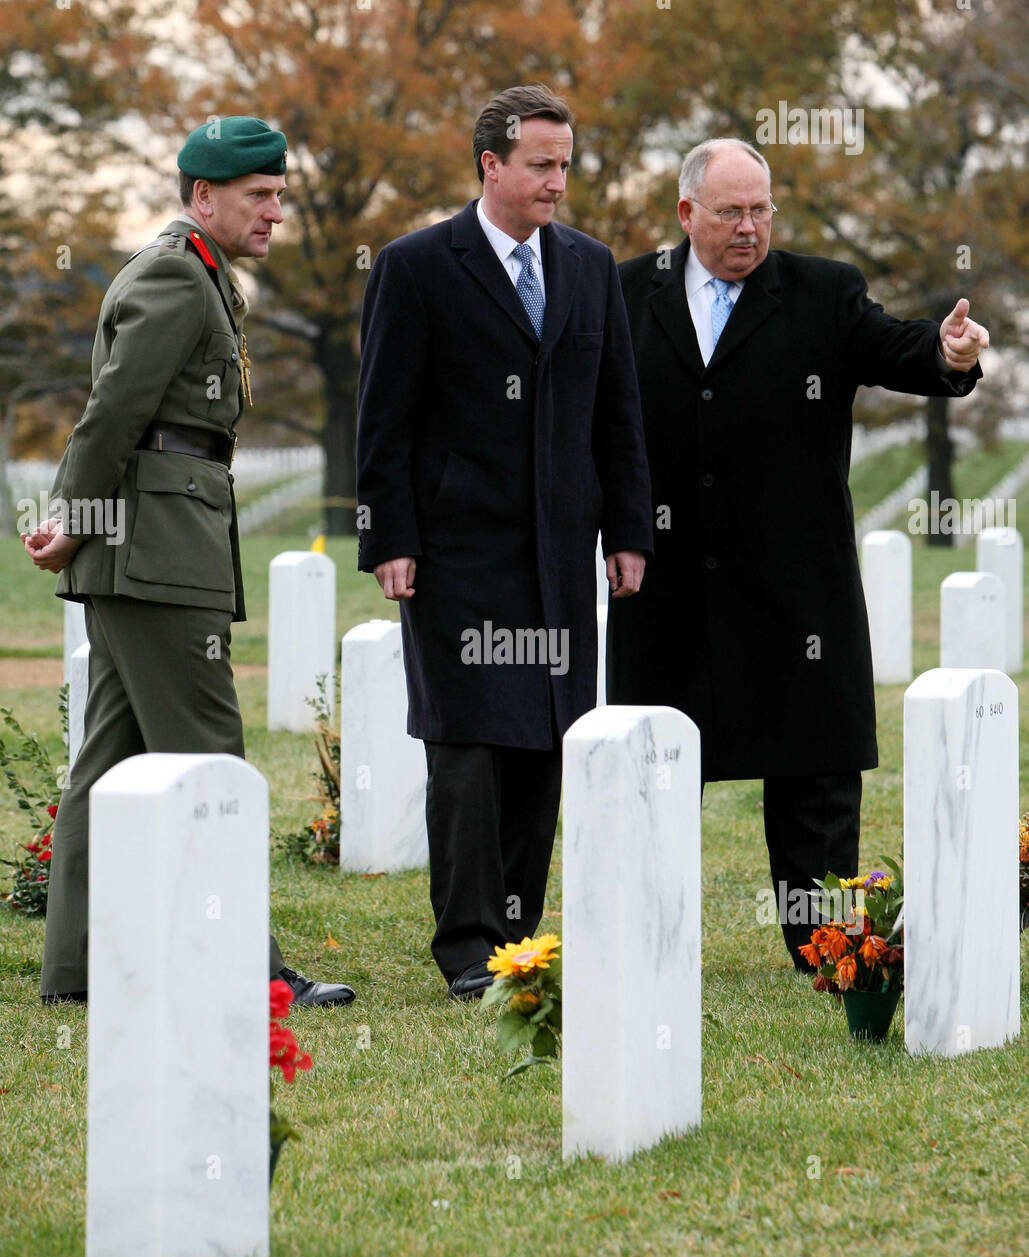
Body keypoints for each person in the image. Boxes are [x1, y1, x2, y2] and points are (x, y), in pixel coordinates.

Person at [608, 137, 988, 971]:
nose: (749, 228)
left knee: (812, 775)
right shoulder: (626, 290)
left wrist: (949, 355)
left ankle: (820, 945)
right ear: (686, 214)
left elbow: (898, 349)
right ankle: (641, 941)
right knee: (650, 769)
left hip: (793, 586)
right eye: (730, 212)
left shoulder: (821, 291)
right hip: (662, 583)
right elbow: (594, 417)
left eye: (761, 211)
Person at [23, 116, 354, 1007]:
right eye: (260, 196)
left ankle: (78, 968)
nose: (276, 212)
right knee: (210, 754)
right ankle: (252, 967)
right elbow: (112, 413)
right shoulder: (175, 272)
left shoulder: (202, 274)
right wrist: (73, 519)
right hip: (155, 552)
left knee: (109, 763)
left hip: (158, 544)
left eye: (280, 195)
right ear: (203, 196)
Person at [356, 84, 653, 999]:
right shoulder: (415, 267)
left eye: (565, 164)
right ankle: (467, 949)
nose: (557, 182)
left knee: (543, 742)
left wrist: (628, 531)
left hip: (560, 552)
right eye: (540, 164)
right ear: (490, 164)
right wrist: (388, 537)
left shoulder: (589, 265)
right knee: (469, 746)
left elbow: (618, 411)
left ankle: (519, 940)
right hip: (453, 553)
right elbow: (383, 418)